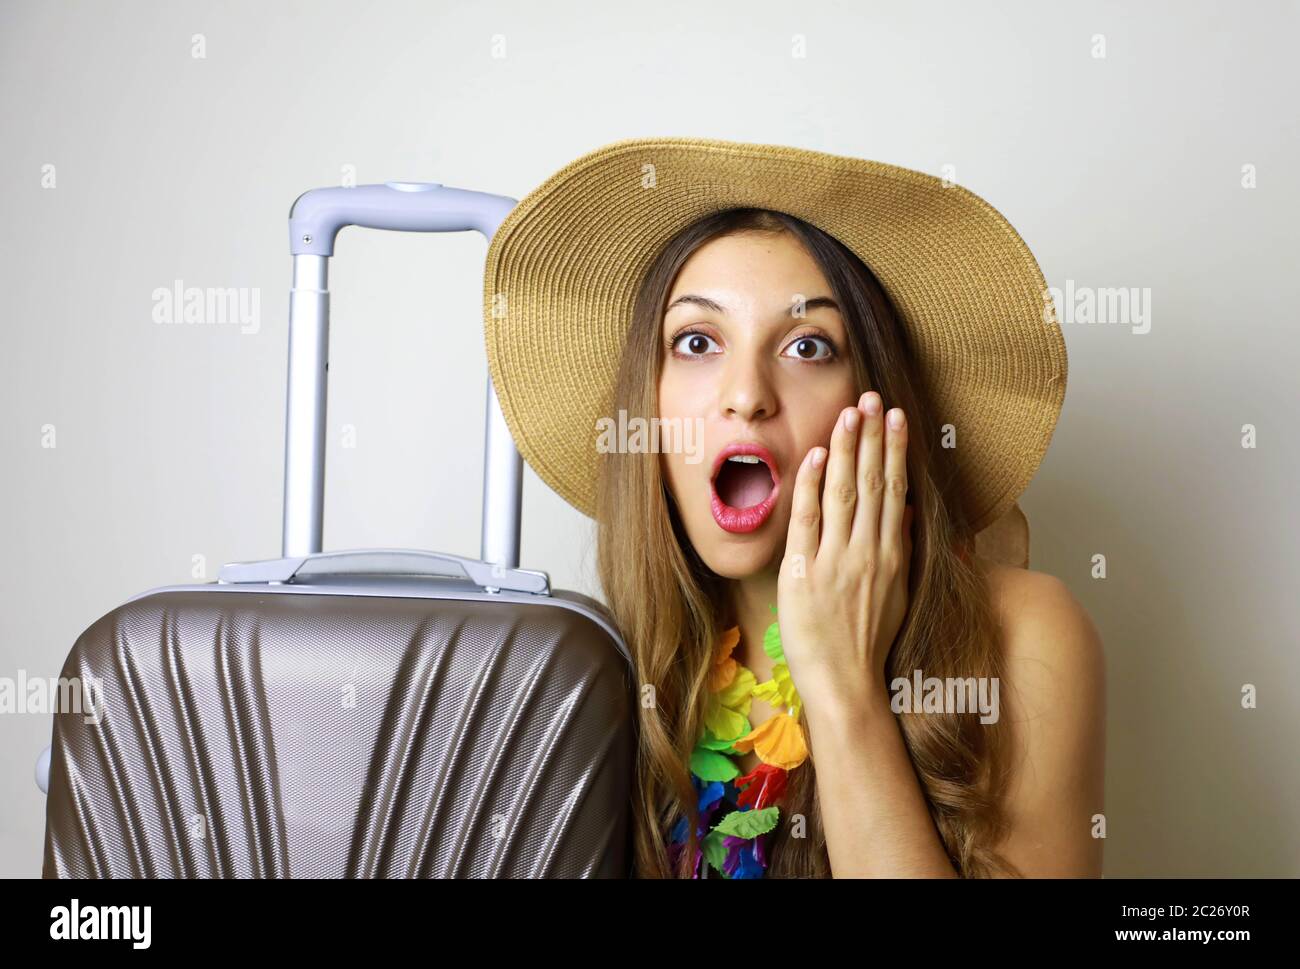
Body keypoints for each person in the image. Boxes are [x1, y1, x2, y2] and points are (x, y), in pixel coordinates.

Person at [482, 138, 1105, 878]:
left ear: (876, 403)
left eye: (809, 346)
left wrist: (844, 685)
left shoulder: (1024, 634)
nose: (746, 393)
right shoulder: (609, 673)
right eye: (696, 341)